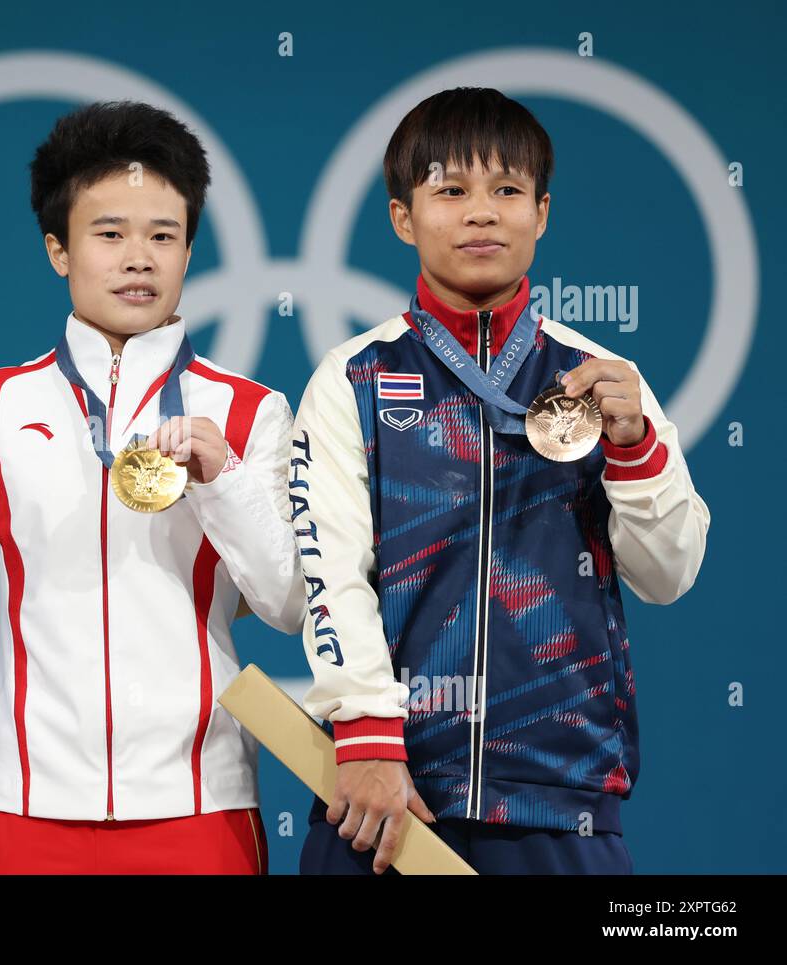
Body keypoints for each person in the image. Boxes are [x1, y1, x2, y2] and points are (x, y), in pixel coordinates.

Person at [292, 87, 710, 875]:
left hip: (563, 799)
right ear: (402, 218)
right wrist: (368, 736)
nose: (481, 213)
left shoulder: (602, 381)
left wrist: (635, 449)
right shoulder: (357, 376)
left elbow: (670, 574)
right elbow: (328, 569)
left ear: (543, 213)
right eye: (451, 190)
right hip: (387, 797)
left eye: (507, 191)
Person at [0, 101, 306, 874]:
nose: (138, 258)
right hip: (23, 801)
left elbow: (287, 604)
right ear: (59, 249)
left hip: (199, 800)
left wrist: (224, 482)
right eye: (109, 234)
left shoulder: (250, 411)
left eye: (163, 235)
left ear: (189, 250)